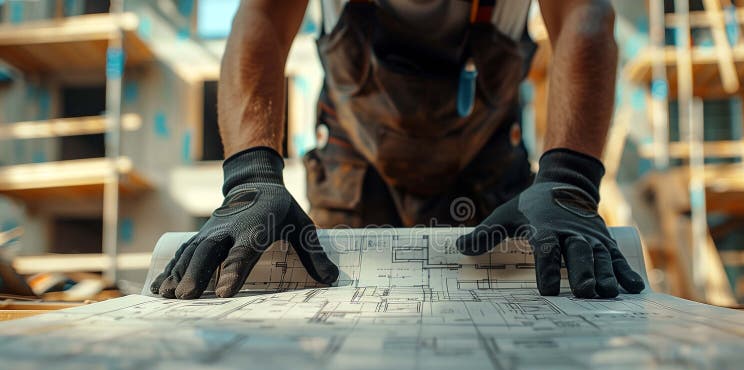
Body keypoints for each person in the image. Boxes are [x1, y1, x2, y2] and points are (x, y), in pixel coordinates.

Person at [150, 0, 645, 300]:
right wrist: (249, 179)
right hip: (355, 168)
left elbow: (586, 14)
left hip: (486, 168)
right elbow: (262, 16)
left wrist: (569, 181)